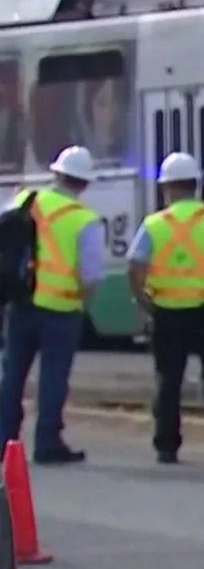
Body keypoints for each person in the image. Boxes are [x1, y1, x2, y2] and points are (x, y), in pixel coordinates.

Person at [126, 153, 204, 464]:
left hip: (167, 313)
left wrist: (143, 299)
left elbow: (134, 265)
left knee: (168, 382)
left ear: (167, 188)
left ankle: (167, 446)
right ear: (196, 185)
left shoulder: (154, 225)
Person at [0, 146, 102, 464]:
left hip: (21, 303)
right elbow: (90, 275)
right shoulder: (84, 220)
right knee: (53, 379)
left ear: (56, 174)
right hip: (62, 310)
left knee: (12, 375)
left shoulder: (25, 200)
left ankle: (4, 438)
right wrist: (83, 305)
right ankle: (47, 443)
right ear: (84, 183)